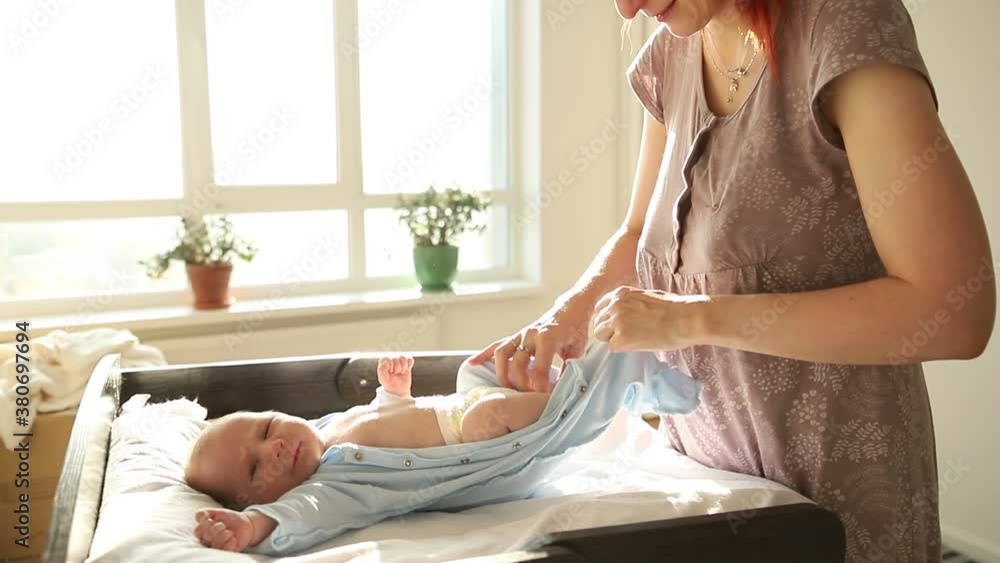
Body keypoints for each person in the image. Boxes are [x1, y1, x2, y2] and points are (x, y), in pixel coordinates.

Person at [470, 1, 995, 562]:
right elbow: (636, 231)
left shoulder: (844, 28)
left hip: (838, 499)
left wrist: (690, 318)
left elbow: (953, 310)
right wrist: (568, 313)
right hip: (707, 495)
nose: (629, 8)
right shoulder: (671, 54)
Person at [186, 345, 701, 554]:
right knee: (545, 406)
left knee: (481, 366)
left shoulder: (325, 428)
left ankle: (562, 381)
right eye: (255, 469)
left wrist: (394, 392)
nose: (274, 447)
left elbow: (386, 421)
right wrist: (254, 526)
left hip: (457, 408)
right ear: (253, 497)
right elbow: (306, 513)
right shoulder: (334, 483)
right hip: (481, 443)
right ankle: (627, 377)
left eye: (268, 427)